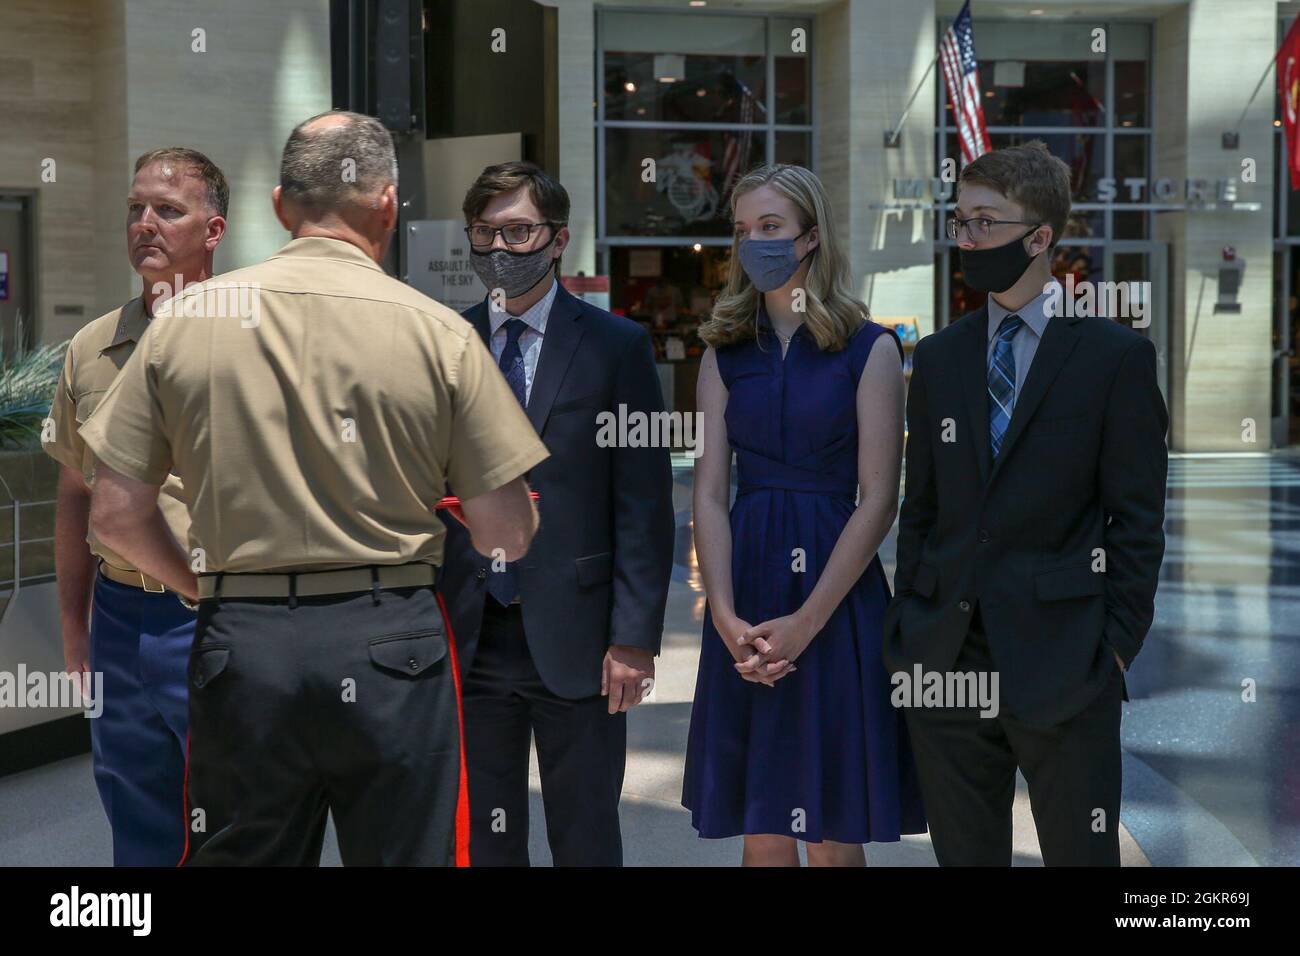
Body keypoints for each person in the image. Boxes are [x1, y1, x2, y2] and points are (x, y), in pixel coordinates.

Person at [78, 110, 548, 866]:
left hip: (245, 645)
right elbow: (505, 533)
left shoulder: (184, 322)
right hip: (393, 644)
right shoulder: (441, 333)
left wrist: (202, 587)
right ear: (388, 205)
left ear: (278, 206)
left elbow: (114, 514)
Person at [884, 140, 1168, 866]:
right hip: (946, 661)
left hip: (1067, 661)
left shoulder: (1114, 357)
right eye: (961, 222)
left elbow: (1137, 521)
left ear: (1039, 239)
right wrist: (910, 626)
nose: (967, 239)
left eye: (986, 222)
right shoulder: (940, 357)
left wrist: (1115, 648)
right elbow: (923, 509)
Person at [682, 163, 927, 866]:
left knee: (831, 831)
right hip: (748, 585)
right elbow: (708, 492)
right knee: (762, 829)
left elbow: (879, 497)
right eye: (742, 230)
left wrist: (808, 621)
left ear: (811, 237)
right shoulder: (723, 352)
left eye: (771, 226)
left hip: (835, 592)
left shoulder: (869, 348)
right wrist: (724, 617)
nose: (753, 242)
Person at [438, 161, 674, 866]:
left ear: (558, 238)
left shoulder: (617, 346)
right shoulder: (444, 342)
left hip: (582, 639)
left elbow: (643, 504)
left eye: (518, 232)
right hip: (470, 634)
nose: (500, 248)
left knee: (586, 836)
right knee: (485, 839)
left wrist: (634, 639)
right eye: (485, 232)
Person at [43, 147, 227, 866]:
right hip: (120, 614)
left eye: (168, 210)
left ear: (213, 230)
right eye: (135, 209)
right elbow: (74, 493)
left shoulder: (250, 338)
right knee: (135, 810)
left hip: (215, 613)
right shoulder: (93, 347)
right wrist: (75, 626)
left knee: (233, 811)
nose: (144, 223)